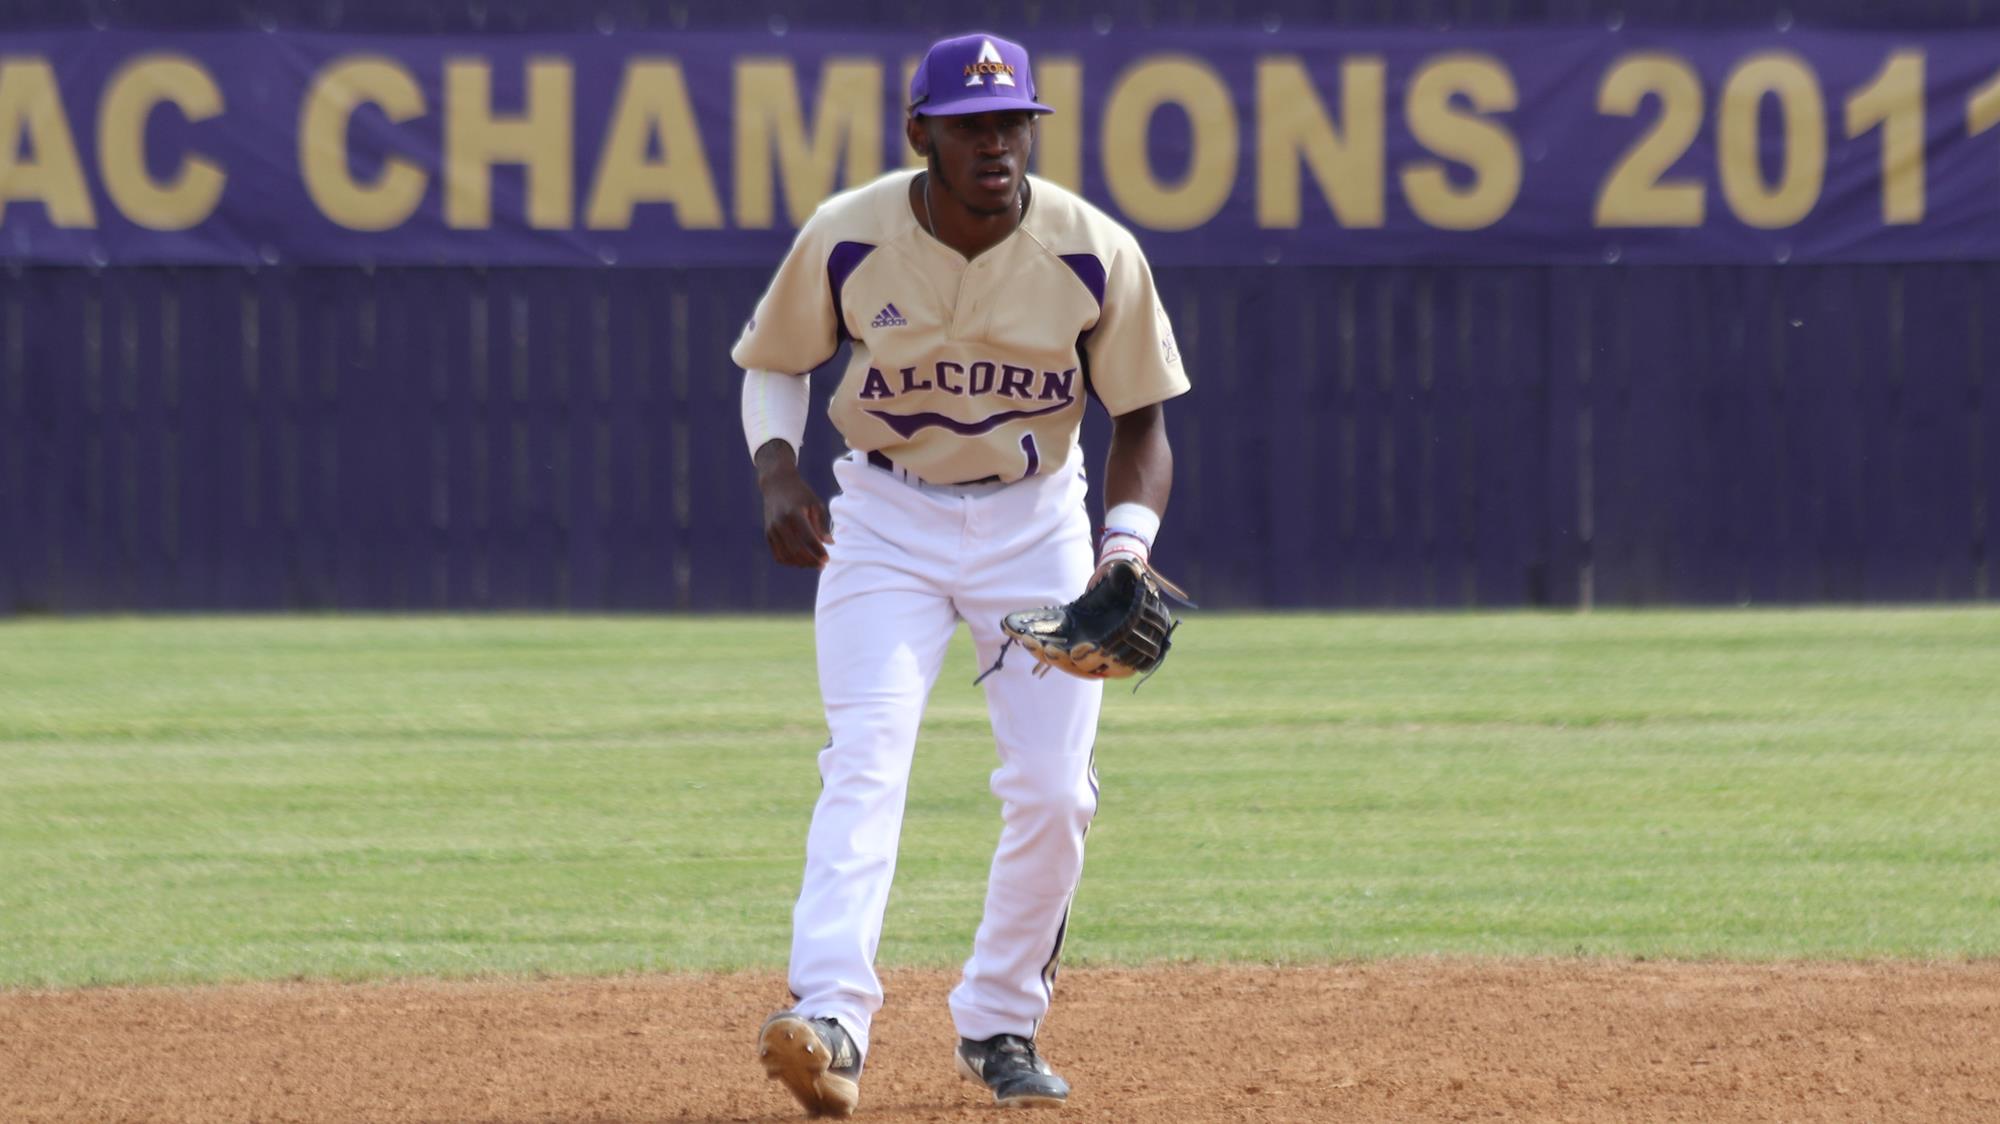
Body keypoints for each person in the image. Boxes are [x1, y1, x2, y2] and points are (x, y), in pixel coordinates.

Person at [733, 30, 1189, 1117]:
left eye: (1012, 123)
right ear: (920, 135)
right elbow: (777, 363)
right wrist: (777, 473)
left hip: (1036, 524)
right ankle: (830, 1018)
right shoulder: (848, 235)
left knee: (1054, 790)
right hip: (885, 519)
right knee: (865, 757)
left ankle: (999, 1023)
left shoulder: (1092, 249)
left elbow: (1141, 419)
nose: (995, 144)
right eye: (970, 125)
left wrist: (1124, 547)